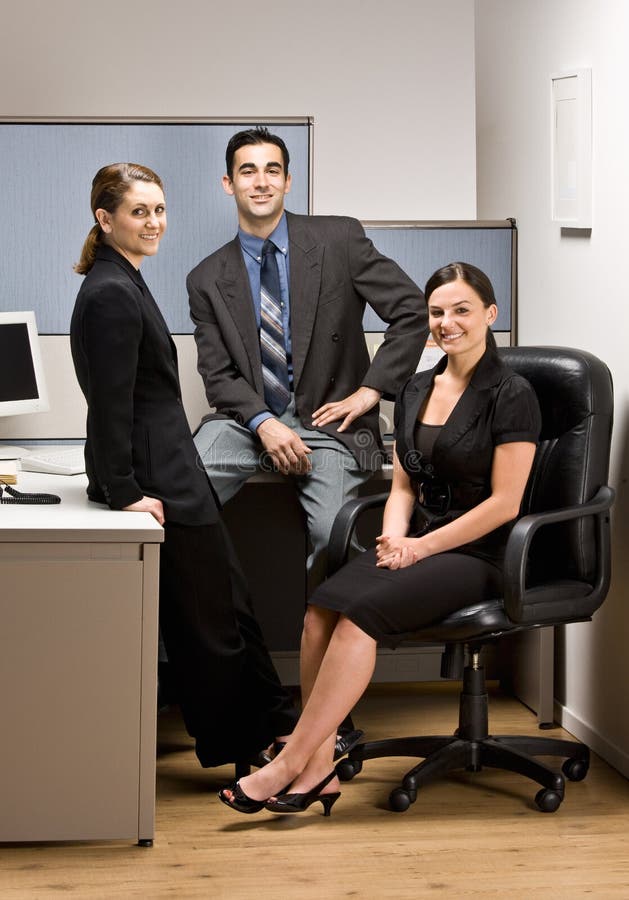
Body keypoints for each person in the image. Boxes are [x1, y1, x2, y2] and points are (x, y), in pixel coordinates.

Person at [217, 261, 542, 815]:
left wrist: (420, 548)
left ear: (490, 314)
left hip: (482, 552)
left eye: (462, 310)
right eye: (437, 313)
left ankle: (293, 760)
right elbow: (404, 486)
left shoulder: (511, 393)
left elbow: (504, 505)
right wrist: (394, 538)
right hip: (415, 543)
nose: (447, 323)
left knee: (359, 617)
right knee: (321, 607)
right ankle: (320, 766)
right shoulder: (415, 387)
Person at [70, 162, 299, 770]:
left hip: (171, 460)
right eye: (139, 211)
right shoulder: (112, 293)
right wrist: (124, 491)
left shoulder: (121, 279)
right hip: (158, 472)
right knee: (208, 620)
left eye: (159, 210)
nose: (153, 222)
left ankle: (277, 725)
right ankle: (243, 748)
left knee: (228, 602)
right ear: (105, 218)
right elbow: (111, 404)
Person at [187, 126, 428, 590]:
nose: (261, 182)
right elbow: (218, 375)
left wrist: (369, 391)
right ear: (228, 183)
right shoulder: (206, 278)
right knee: (180, 498)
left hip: (332, 426)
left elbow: (411, 310)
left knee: (332, 535)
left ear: (288, 181)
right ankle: (193, 639)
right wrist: (263, 422)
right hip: (247, 425)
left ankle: (326, 649)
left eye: (272, 170)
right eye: (248, 171)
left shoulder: (338, 238)